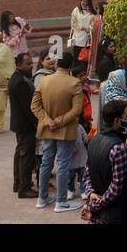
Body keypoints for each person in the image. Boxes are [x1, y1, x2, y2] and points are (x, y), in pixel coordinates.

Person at [31, 56, 85, 213]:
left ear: (57, 65)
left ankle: (42, 198)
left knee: (46, 162)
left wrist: (48, 120)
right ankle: (60, 202)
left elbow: (34, 106)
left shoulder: (44, 80)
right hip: (65, 129)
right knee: (62, 164)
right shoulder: (74, 83)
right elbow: (76, 110)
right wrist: (59, 121)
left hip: (48, 128)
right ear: (70, 66)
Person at [81, 100, 127, 224]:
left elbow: (86, 174)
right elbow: (115, 190)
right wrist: (92, 206)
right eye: (126, 116)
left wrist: (91, 194)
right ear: (117, 121)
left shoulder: (95, 139)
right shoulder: (119, 147)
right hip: (116, 215)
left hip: (98, 215)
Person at [7, 53, 37, 198]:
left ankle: (18, 183)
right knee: (26, 155)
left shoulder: (18, 78)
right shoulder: (20, 81)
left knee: (20, 153)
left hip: (20, 123)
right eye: (28, 64)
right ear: (19, 64)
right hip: (25, 124)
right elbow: (28, 107)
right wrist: (37, 123)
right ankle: (24, 188)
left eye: (31, 63)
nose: (31, 66)